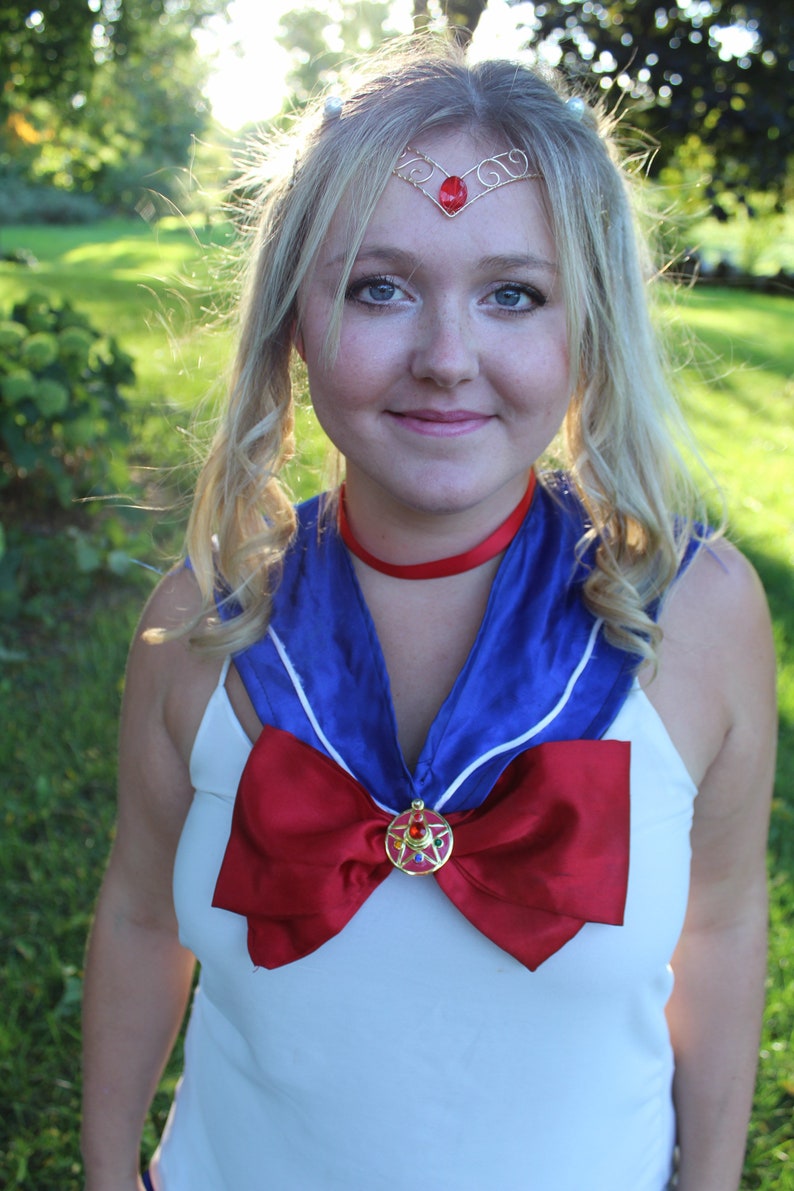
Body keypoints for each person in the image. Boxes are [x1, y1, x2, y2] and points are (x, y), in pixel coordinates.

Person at [81, 36, 777, 1191]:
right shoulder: (203, 626)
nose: (445, 358)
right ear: (292, 319)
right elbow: (140, 914)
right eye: (379, 287)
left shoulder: (695, 620)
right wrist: (107, 1171)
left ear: (588, 322)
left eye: (513, 294)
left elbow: (718, 924)